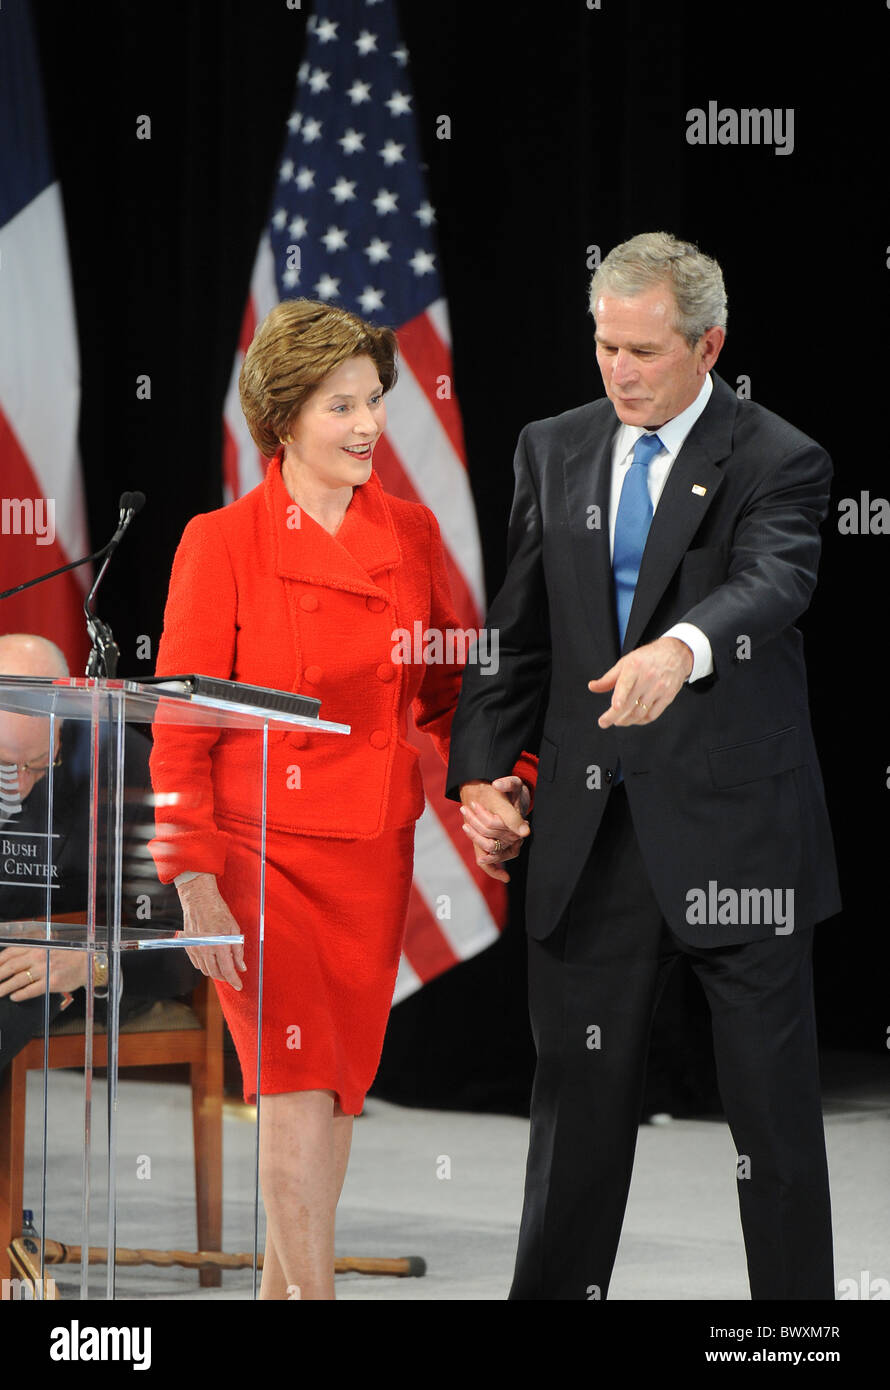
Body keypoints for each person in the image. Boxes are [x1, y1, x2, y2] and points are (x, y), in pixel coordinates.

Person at [447, 232, 841, 1301]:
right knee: (571, 1124)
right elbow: (519, 634)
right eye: (602, 346)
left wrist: (680, 647)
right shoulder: (552, 446)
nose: (618, 371)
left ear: (708, 343)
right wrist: (484, 774)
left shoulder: (777, 457)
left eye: (643, 350)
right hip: (588, 839)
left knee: (772, 1128)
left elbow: (770, 582)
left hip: (738, 836)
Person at [148, 298, 534, 1301]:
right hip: (254, 853)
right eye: (340, 406)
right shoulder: (219, 542)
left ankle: (281, 1294)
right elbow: (181, 729)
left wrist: (494, 783)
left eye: (372, 402)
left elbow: (451, 692)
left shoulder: (408, 532)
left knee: (336, 1090)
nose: (367, 426)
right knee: (289, 1082)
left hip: (369, 851)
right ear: (283, 419)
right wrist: (192, 878)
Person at [0, 633, 197, 1075]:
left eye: (36, 763)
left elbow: (181, 949)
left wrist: (93, 962)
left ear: (61, 724)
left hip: (66, 974)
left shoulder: (128, 766)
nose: (19, 784)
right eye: (3, 765)